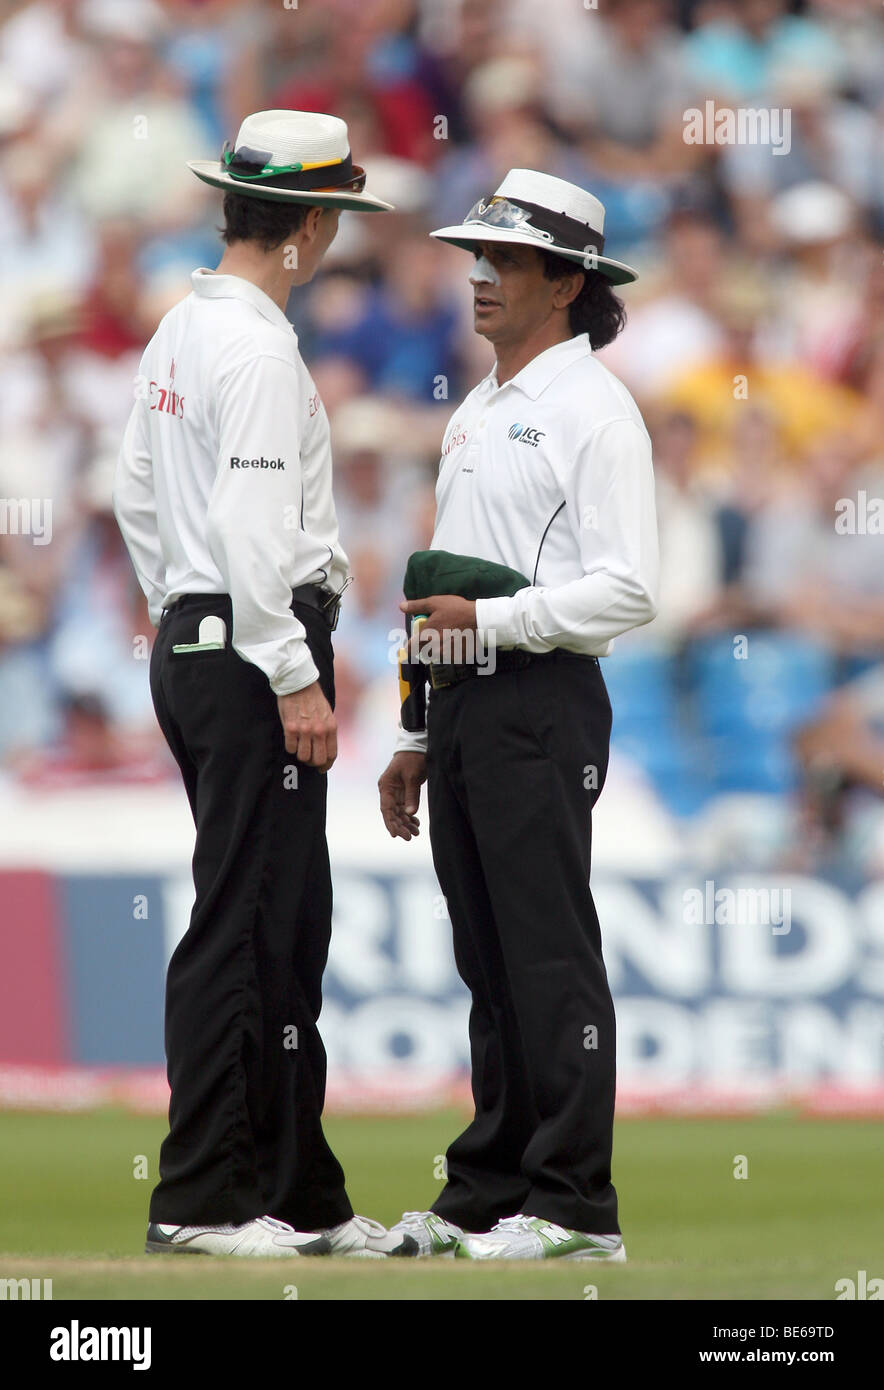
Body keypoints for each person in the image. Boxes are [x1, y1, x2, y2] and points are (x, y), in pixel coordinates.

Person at [114, 109, 415, 1258]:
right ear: (308, 227)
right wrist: (289, 670)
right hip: (251, 648)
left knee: (283, 919)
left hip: (204, 638)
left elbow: (139, 498)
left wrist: (180, 619)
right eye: (334, 215)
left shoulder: (181, 332)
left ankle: (298, 1191)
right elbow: (247, 528)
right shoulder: (252, 347)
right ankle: (200, 1196)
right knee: (246, 918)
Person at [379, 170, 659, 1261]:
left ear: (565, 279)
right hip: (465, 707)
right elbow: (441, 579)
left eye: (506, 261)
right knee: (487, 959)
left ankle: (575, 1206)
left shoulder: (594, 410)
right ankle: (489, 1192)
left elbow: (629, 588)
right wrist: (412, 730)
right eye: (476, 258)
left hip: (542, 701)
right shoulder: (478, 407)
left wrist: (490, 625)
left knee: (545, 955)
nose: (481, 278)